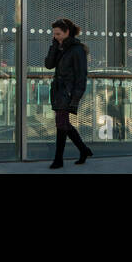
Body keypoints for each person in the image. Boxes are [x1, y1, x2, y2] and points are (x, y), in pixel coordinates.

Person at [44, 17, 92, 168]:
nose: (55, 36)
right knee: (63, 123)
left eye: (58, 34)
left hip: (68, 92)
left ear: (67, 32)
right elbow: (49, 65)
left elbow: (81, 75)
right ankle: (83, 150)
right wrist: (54, 46)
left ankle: (58, 160)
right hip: (58, 91)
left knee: (61, 123)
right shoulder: (60, 47)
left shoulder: (77, 50)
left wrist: (76, 97)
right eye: (54, 34)